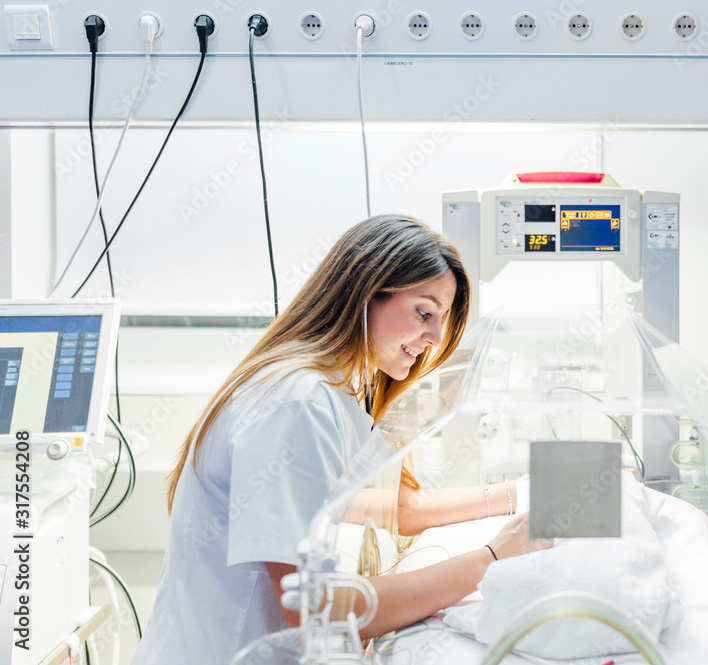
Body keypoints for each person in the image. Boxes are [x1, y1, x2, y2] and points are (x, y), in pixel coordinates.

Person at [132, 215, 549, 664]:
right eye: (424, 313)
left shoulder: (327, 390)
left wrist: (521, 495)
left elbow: (399, 508)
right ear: (365, 294)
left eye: (440, 320)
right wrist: (489, 558)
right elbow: (316, 611)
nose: (433, 338)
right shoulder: (297, 405)